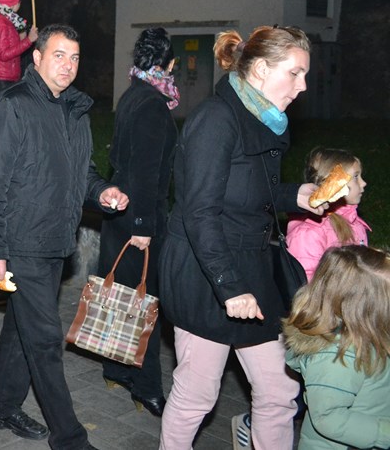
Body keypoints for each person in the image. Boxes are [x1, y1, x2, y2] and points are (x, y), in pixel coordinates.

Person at [158, 25, 326, 449]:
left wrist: (295, 195)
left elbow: (248, 190)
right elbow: (199, 211)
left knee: (280, 391)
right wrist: (228, 286)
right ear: (259, 70)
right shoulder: (216, 119)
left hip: (252, 270)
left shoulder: (263, 118)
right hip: (207, 272)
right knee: (198, 393)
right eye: (295, 73)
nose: (302, 86)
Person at [0, 24, 128, 448]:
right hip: (21, 242)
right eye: (58, 55)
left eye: (74, 57)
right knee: (44, 341)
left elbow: (83, 173)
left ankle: (0, 405)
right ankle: (70, 438)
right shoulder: (10, 106)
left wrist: (101, 191)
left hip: (57, 240)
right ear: (36, 58)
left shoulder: (74, 110)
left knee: (21, 331)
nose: (68, 65)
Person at [98, 27, 179, 417]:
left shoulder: (133, 92)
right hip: (139, 215)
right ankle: (145, 387)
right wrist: (145, 226)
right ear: (170, 63)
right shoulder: (152, 104)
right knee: (144, 304)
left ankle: (115, 370)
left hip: (121, 208)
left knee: (122, 298)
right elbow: (146, 170)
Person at [284, 245, 390, 450]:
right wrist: (384, 433)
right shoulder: (336, 357)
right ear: (366, 307)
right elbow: (328, 417)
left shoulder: (374, 331)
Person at [287, 147, 369, 281]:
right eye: (355, 177)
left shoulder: (353, 221)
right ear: (333, 183)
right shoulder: (309, 233)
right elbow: (306, 284)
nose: (363, 183)